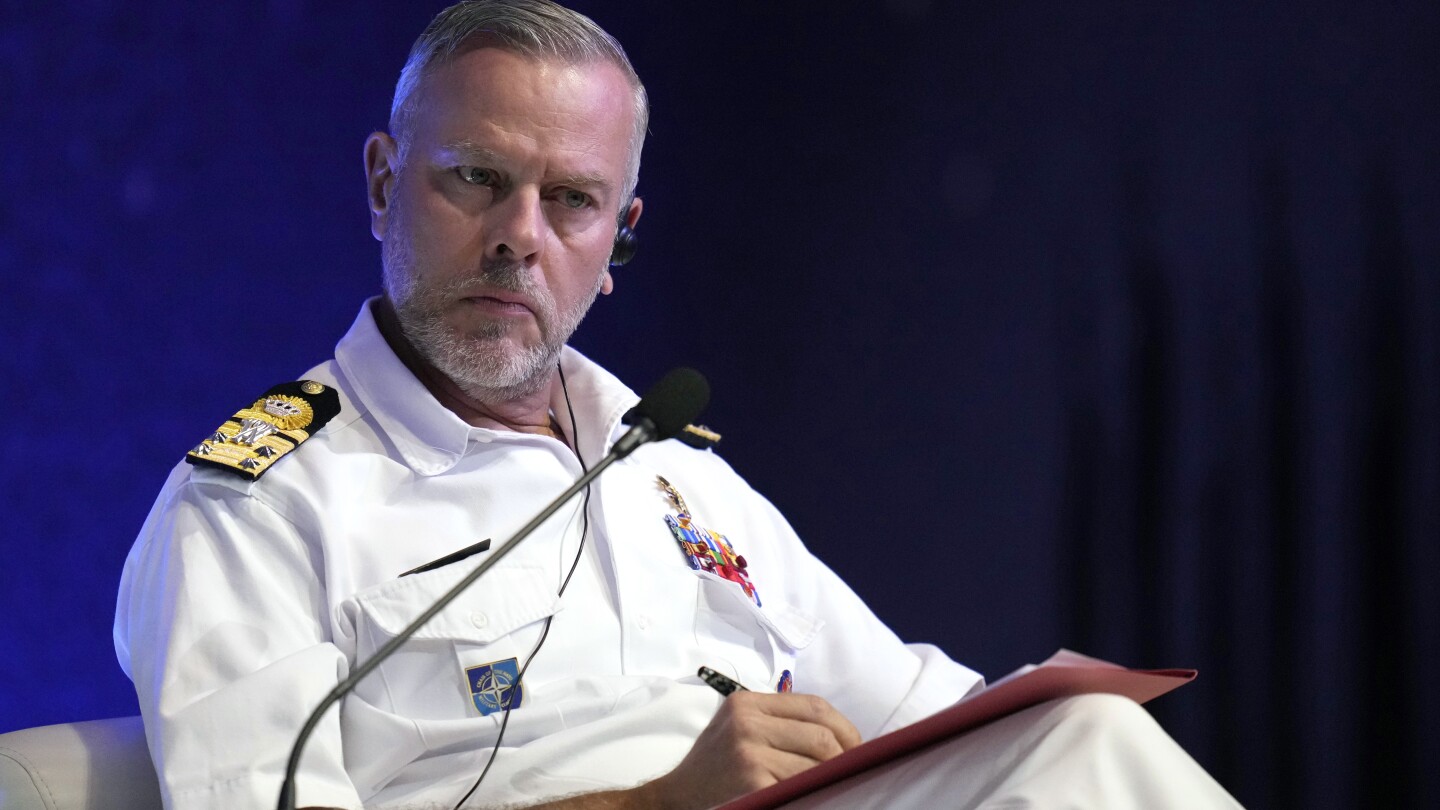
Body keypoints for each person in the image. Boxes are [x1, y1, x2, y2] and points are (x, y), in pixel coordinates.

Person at [114, 2, 1242, 809]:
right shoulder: (255, 508)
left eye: (571, 202)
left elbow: (925, 714)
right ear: (380, 182)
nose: (520, 236)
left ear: (618, 243)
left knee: (1079, 733)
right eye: (475, 178)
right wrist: (664, 805)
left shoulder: (667, 470)